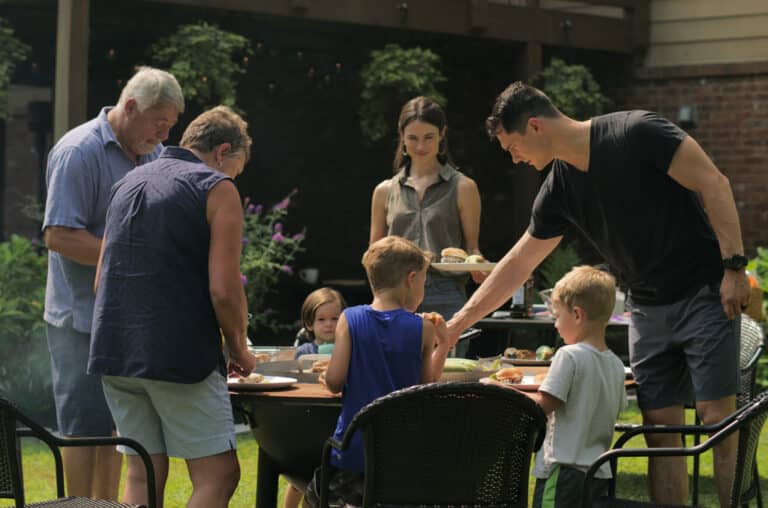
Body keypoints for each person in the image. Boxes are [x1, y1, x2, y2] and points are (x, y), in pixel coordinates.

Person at [446, 81, 751, 507]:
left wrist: (734, 267)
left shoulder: (637, 132)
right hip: (646, 307)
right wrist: (457, 324)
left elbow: (713, 183)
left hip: (704, 292)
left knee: (718, 422)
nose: (513, 158)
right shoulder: (559, 188)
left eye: (511, 146)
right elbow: (518, 263)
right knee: (659, 432)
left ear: (534, 125)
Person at [88, 106, 258, 508]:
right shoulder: (217, 188)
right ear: (221, 152)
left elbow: (100, 282)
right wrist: (238, 348)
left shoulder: (126, 183)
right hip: (178, 358)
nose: (233, 178)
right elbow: (225, 291)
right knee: (219, 474)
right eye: (236, 168)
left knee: (143, 474)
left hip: (114, 352)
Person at [42, 66, 183, 499]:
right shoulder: (79, 151)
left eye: (170, 127)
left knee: (120, 427)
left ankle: (104, 507)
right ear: (130, 106)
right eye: (158, 124)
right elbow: (58, 235)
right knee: (83, 428)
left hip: (128, 320)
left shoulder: (156, 156)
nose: (163, 136)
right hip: (79, 319)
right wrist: (124, 257)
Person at [303, 236, 453, 507]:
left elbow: (335, 382)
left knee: (313, 493)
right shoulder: (423, 328)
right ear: (410, 278)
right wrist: (442, 345)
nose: (423, 289)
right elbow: (427, 390)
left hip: (352, 455)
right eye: (423, 282)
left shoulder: (350, 318)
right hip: (403, 460)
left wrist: (326, 376)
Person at [369, 96, 485, 357]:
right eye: (413, 137)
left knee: (447, 382)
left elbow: (472, 248)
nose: (420, 145)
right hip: (395, 295)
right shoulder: (384, 191)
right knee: (398, 380)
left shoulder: (463, 187)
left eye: (429, 137)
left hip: (447, 294)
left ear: (442, 134)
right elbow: (373, 255)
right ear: (401, 136)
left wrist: (479, 269)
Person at [517, 266, 626, 508]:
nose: (555, 324)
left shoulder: (568, 355)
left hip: (563, 471)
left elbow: (544, 405)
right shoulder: (617, 365)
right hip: (598, 473)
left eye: (557, 316)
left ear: (577, 314)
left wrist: (507, 393)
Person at [293, 287, 347, 359]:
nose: (328, 324)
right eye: (321, 319)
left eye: (334, 318)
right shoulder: (304, 353)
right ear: (309, 323)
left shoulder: (348, 350)